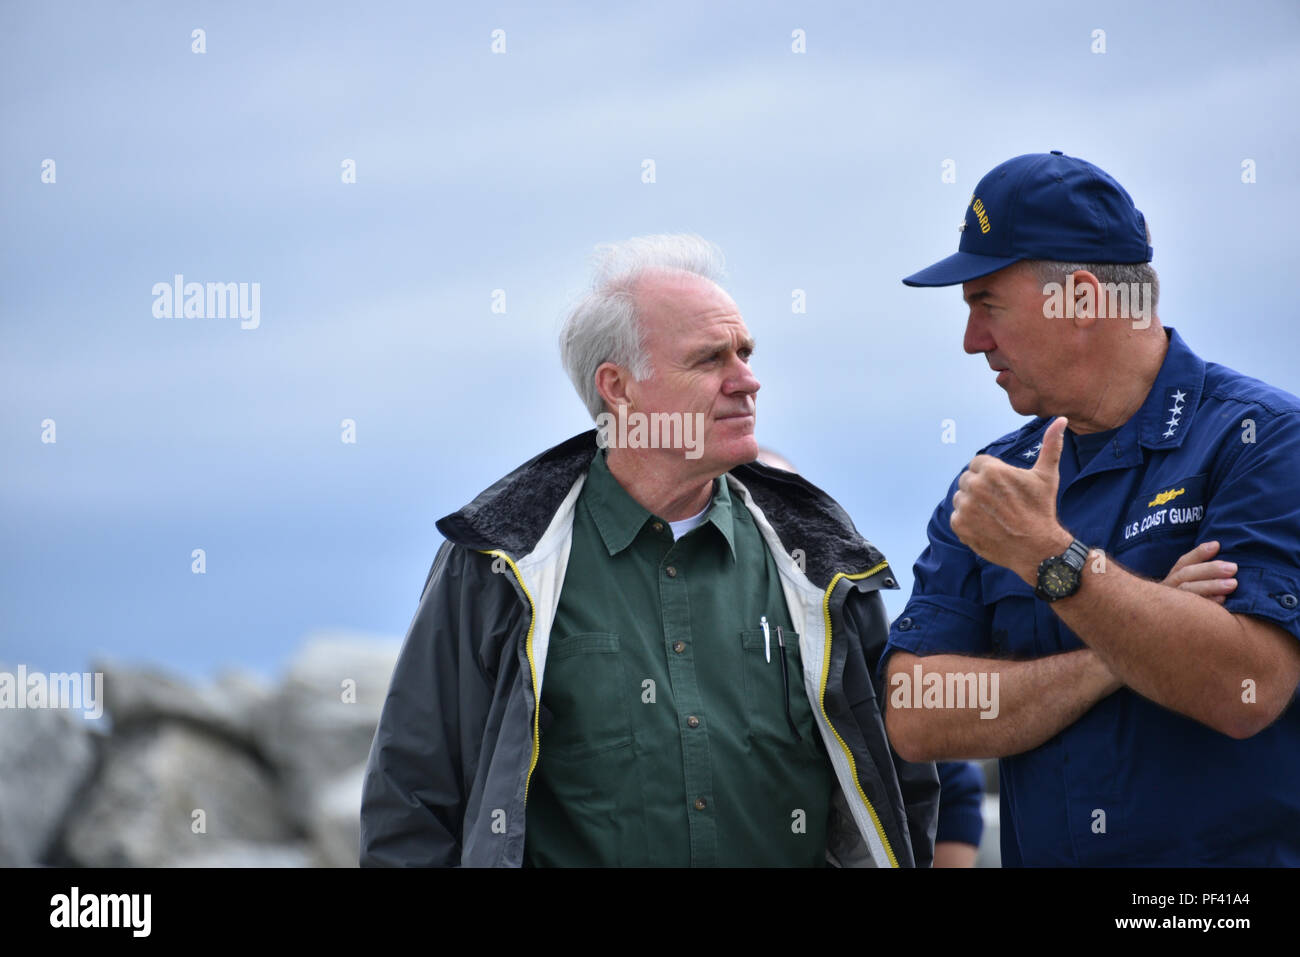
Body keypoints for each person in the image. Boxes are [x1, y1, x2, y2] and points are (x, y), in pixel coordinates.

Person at [361, 234, 938, 867]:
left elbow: (897, 784)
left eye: (744, 352)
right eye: (710, 359)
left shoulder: (819, 558)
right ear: (618, 387)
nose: (747, 381)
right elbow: (413, 797)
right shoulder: (500, 563)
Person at [881, 151, 1300, 866]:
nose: (970, 340)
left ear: (1079, 297)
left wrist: (1051, 560)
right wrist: (1120, 649)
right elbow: (916, 716)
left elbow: (1243, 688)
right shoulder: (994, 484)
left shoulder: (1260, 440)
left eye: (986, 303)